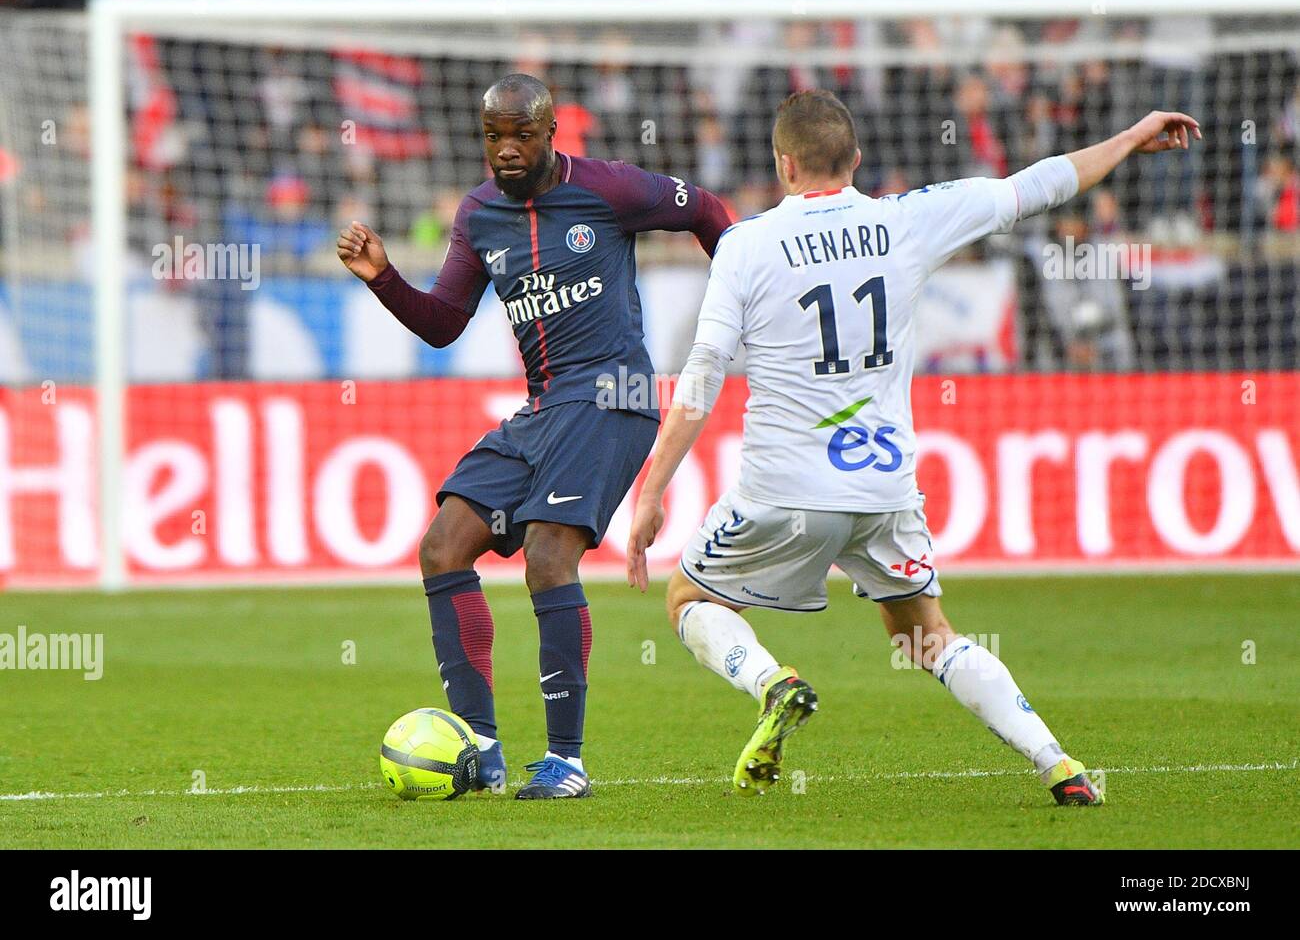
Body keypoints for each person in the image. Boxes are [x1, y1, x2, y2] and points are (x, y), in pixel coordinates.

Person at [626, 89, 1199, 802]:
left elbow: (702, 376)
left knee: (689, 597)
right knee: (927, 636)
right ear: (856, 160)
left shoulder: (745, 244)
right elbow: (1039, 185)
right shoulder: (907, 218)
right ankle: (1057, 761)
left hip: (780, 489)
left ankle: (773, 681)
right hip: (883, 490)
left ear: (783, 163)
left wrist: (651, 492)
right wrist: (1130, 134)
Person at [337, 73, 730, 799]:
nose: (507, 149)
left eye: (521, 134)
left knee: (549, 554)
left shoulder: (609, 190)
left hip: (616, 395)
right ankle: (479, 749)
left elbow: (705, 210)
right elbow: (445, 323)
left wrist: (742, 298)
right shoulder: (480, 214)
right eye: (494, 137)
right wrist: (384, 276)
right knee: (442, 546)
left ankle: (567, 761)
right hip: (545, 406)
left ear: (551, 132)